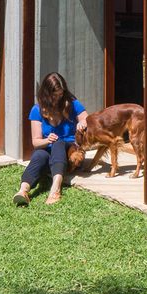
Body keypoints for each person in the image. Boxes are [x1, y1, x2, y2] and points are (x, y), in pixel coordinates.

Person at [13, 72, 88, 207]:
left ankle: (55, 190)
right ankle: (23, 191)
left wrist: (82, 122)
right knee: (39, 155)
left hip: (71, 155)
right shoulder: (37, 110)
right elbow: (36, 142)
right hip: (50, 156)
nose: (58, 98)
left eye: (60, 94)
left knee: (59, 144)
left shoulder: (71, 103)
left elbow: (86, 118)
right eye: (55, 95)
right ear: (46, 94)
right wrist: (47, 141)